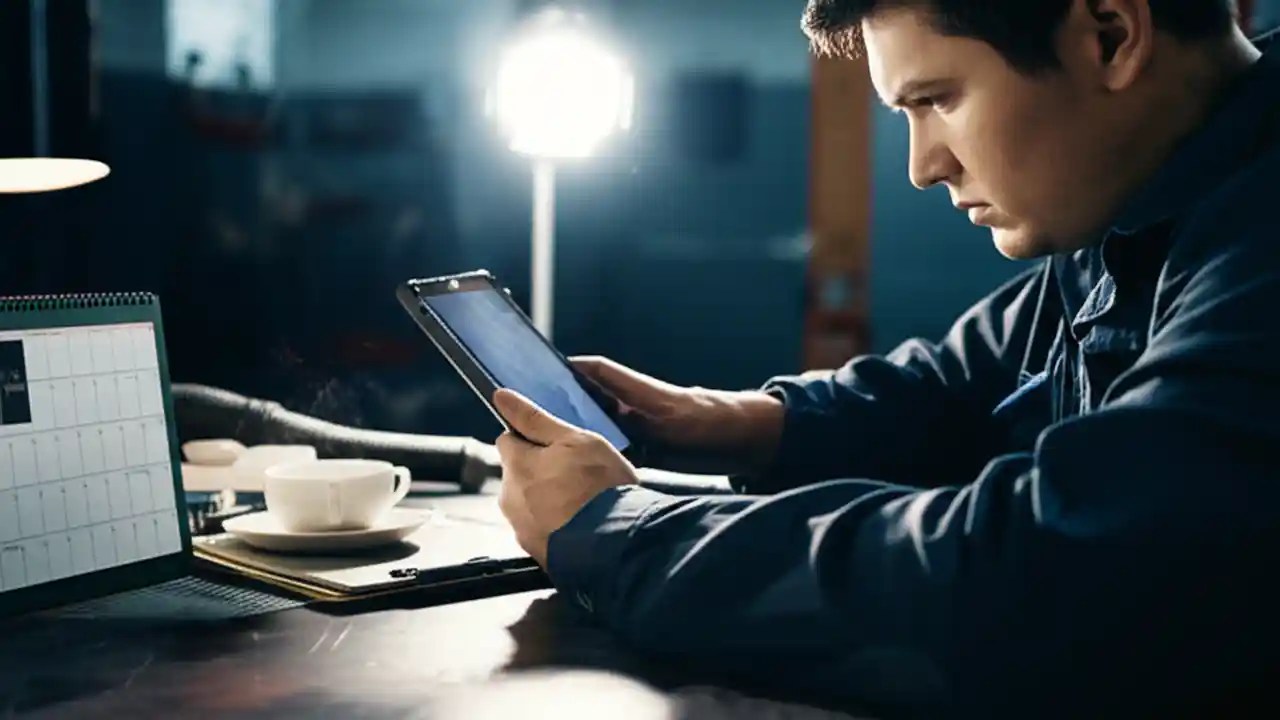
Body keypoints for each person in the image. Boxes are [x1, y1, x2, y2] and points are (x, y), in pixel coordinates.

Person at [492, 0, 1280, 716]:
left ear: (1110, 35)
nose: (923, 164)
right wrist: (727, 421)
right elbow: (958, 386)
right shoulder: (1140, 208)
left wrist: (625, 533)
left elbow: (1057, 567)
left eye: (937, 100)